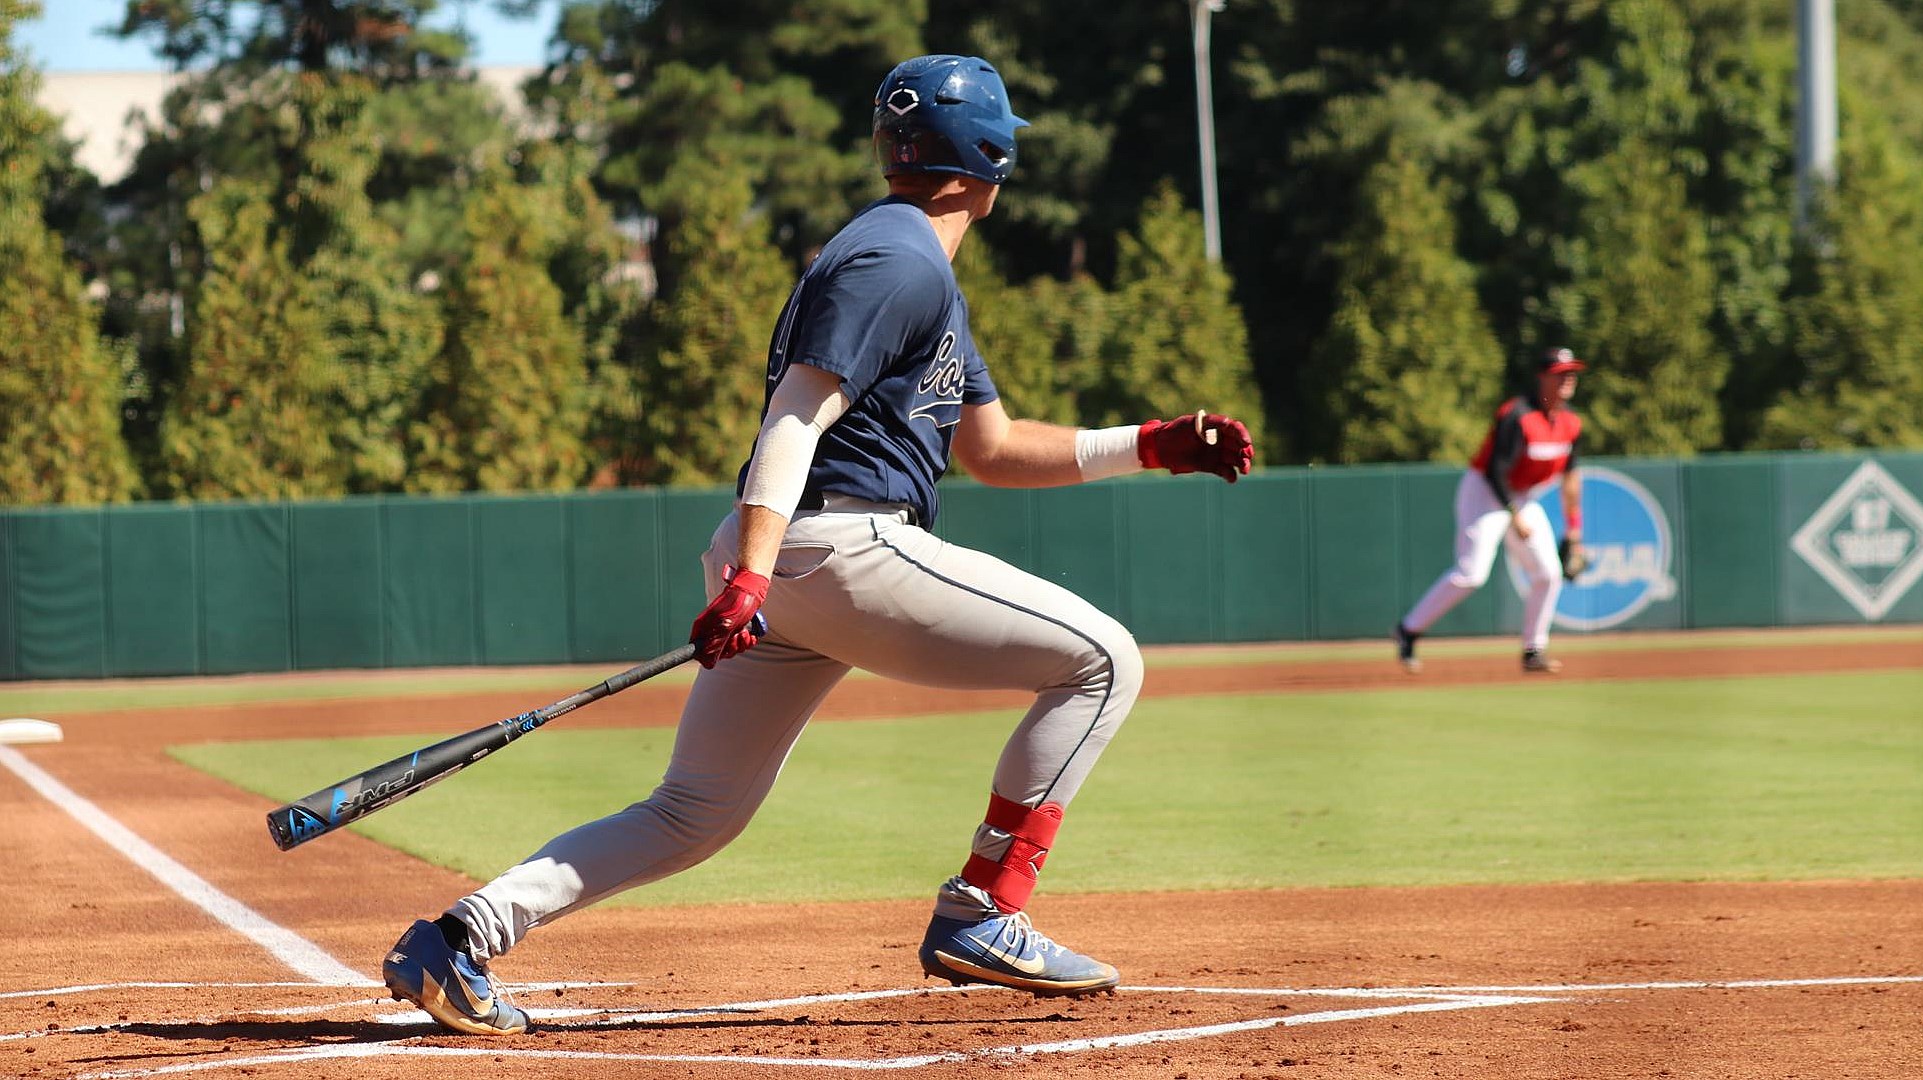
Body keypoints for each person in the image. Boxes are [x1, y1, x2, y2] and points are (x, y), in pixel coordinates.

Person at [379, 53, 1255, 1036]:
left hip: (797, 561)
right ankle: (985, 908)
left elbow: (995, 449)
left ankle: (458, 940)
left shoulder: (911, 263)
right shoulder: (898, 262)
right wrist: (756, 570)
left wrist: (1148, 445)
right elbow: (796, 418)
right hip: (836, 547)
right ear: (990, 158)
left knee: (691, 814)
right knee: (1105, 660)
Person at [1393, 347, 1586, 675]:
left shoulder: (1570, 423)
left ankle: (1533, 650)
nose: (1568, 379)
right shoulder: (1517, 414)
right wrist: (1514, 515)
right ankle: (1408, 630)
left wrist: (1574, 530)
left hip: (1522, 497)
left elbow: (1571, 478)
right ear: (1542, 377)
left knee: (1548, 574)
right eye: (1560, 373)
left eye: (1572, 373)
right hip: (1484, 492)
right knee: (1471, 573)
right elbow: (1496, 471)